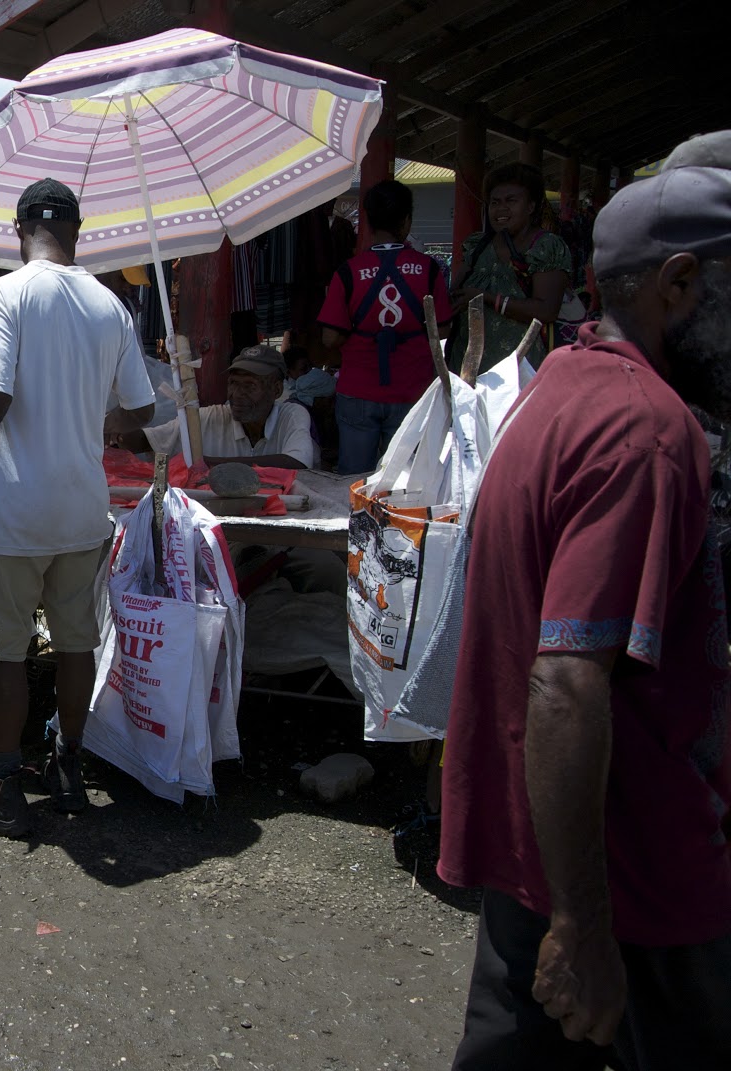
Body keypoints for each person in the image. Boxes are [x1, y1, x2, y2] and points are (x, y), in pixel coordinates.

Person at [441, 142, 731, 1069]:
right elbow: (566, 680)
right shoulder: (650, 431)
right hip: (629, 873)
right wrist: (584, 926)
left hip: (541, 851)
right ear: (679, 285)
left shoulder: (560, 383)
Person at [0, 177, 156, 837]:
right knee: (75, 644)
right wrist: (93, 420)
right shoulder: (109, 304)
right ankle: (67, 771)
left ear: (17, 231)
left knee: (7, 652)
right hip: (82, 508)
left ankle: (4, 784)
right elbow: (143, 408)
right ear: (78, 233)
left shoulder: (3, 294)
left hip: (15, 511)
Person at [319, 179, 453, 473]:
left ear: (367, 221)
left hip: (358, 390)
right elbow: (442, 331)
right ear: (406, 221)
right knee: (404, 484)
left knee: (352, 481)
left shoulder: (348, 272)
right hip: (413, 391)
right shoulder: (429, 270)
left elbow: (330, 338)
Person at [450, 162, 572, 368]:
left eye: (511, 201)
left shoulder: (545, 247)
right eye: (495, 202)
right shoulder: (477, 246)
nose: (501, 209)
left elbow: (547, 311)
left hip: (520, 369)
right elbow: (454, 295)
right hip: (468, 367)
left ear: (531, 206)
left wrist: (487, 299)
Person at [123, 345, 314, 469]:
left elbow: (297, 463)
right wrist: (111, 429)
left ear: (277, 390)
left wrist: (209, 464)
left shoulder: (292, 415)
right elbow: (149, 440)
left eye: (249, 386)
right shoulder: (212, 417)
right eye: (233, 383)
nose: (237, 393)